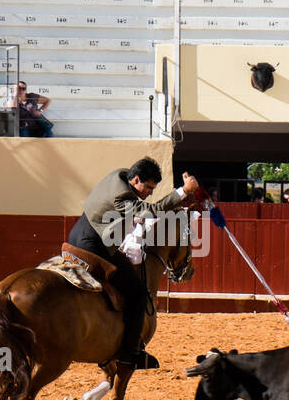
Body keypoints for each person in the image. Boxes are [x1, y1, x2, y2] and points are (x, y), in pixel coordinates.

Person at [66, 157, 199, 370]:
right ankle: (130, 354)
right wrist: (183, 191)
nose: (149, 192)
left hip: (78, 233)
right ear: (135, 179)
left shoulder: (119, 175)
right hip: (94, 245)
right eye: (147, 187)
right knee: (138, 294)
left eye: (153, 188)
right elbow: (150, 210)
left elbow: (139, 210)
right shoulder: (123, 196)